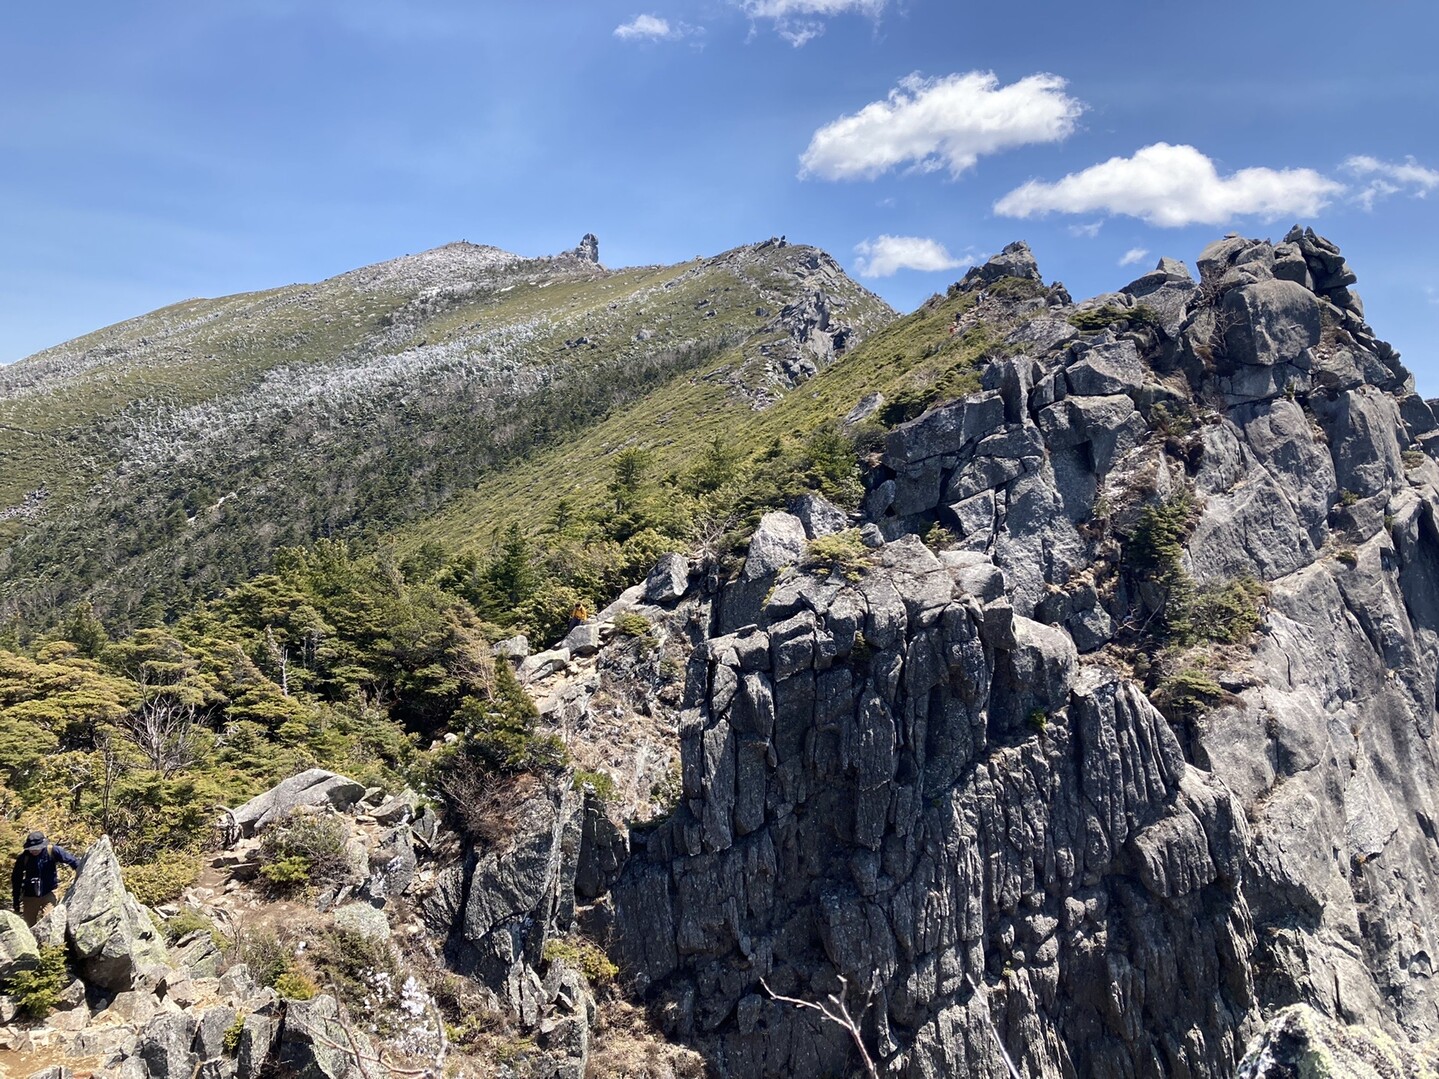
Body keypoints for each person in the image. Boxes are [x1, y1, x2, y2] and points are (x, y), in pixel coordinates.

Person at [11, 830, 81, 927]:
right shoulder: (24, 858)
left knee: (49, 922)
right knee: (28, 926)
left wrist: (81, 876)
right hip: (30, 896)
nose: (33, 850)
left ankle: (48, 942)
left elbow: (73, 862)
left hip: (49, 893)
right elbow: (16, 879)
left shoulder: (53, 851)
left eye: (36, 848)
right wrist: (16, 900)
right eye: (31, 848)